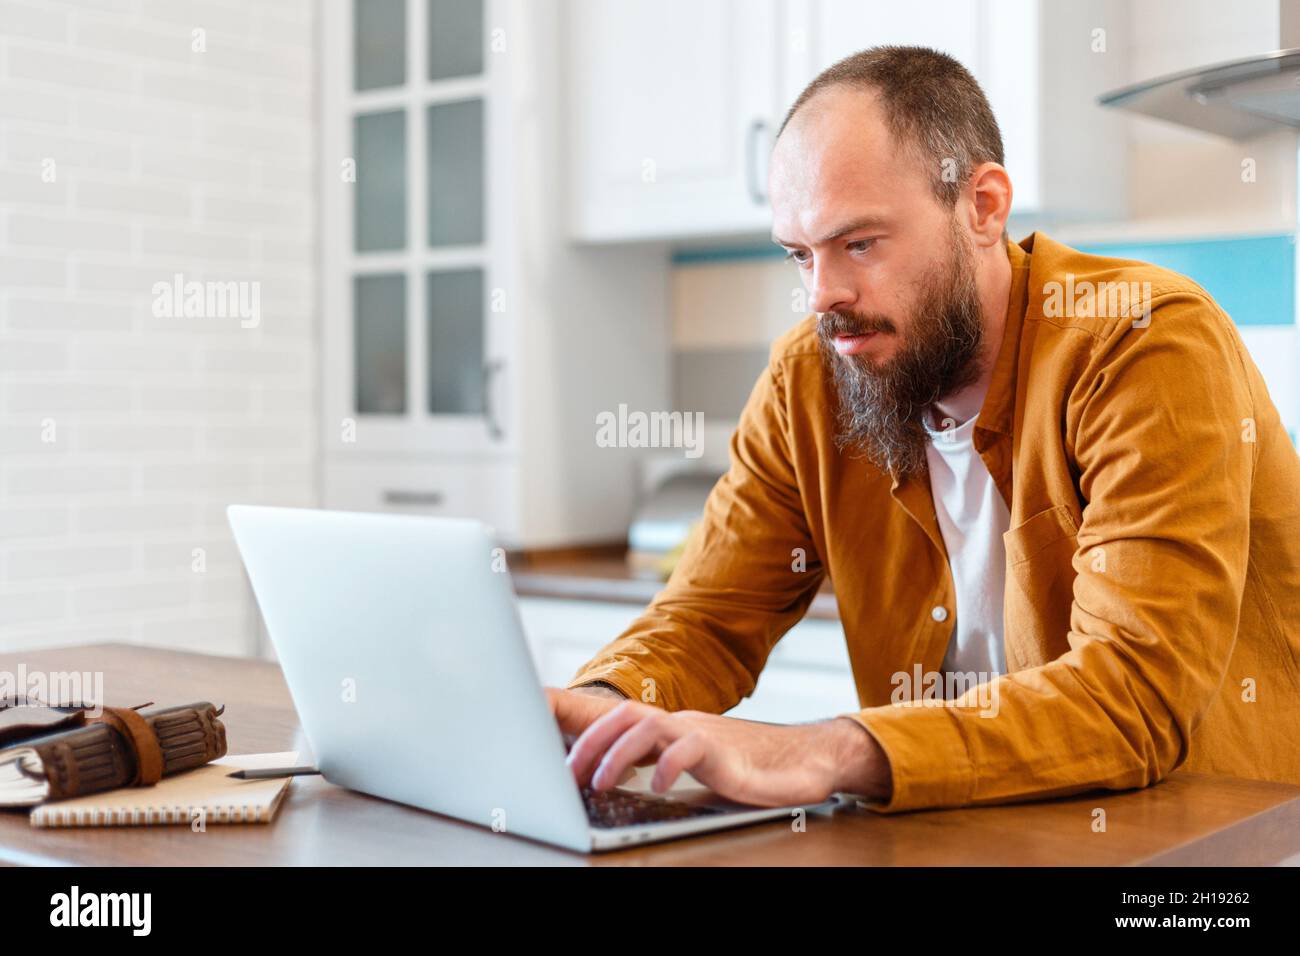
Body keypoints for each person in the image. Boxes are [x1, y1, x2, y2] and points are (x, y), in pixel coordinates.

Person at [548, 46, 1300, 813]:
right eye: (800, 255)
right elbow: (707, 617)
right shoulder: (809, 381)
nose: (821, 296)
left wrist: (831, 747)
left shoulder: (1140, 341)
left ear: (982, 206)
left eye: (859, 244)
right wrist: (601, 711)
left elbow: (1133, 695)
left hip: (1213, 844)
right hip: (975, 832)